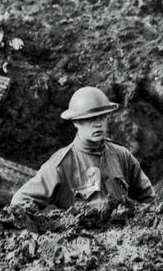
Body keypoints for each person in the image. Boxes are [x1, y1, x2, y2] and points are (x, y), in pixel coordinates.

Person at [10, 86, 154, 215]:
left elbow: (148, 198)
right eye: (90, 119)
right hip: (85, 240)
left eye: (102, 117)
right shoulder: (61, 165)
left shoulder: (121, 155)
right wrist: (56, 226)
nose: (98, 124)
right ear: (76, 122)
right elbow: (20, 202)